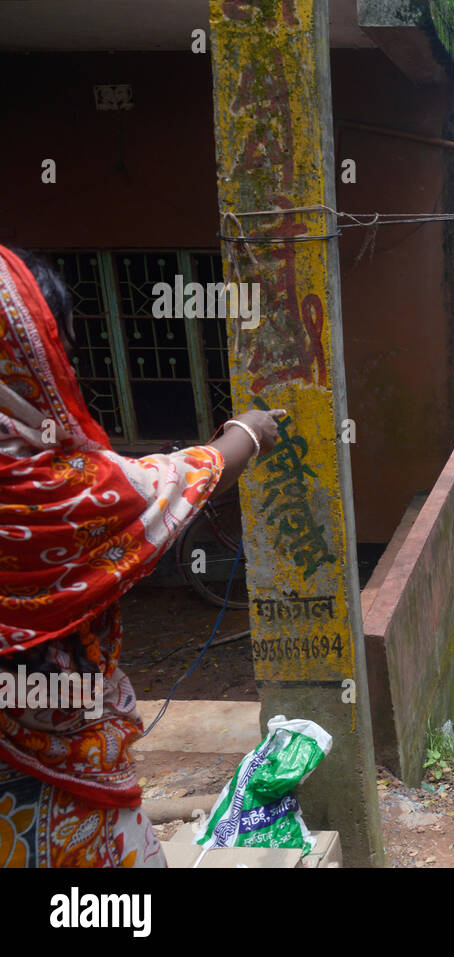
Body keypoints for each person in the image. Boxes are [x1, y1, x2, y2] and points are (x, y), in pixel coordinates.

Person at [0, 246, 282, 867]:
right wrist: (252, 431)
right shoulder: (57, 492)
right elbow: (178, 480)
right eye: (62, 356)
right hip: (63, 791)